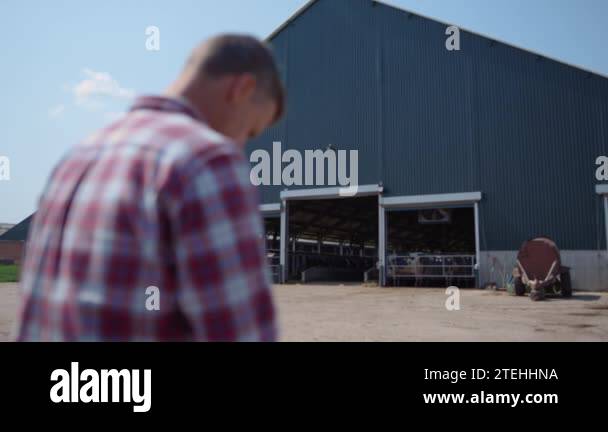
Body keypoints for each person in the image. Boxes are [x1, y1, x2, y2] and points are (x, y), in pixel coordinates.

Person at [15, 34, 284, 341]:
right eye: (250, 130)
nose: (241, 145)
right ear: (242, 88)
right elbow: (242, 333)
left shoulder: (76, 158)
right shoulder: (208, 160)